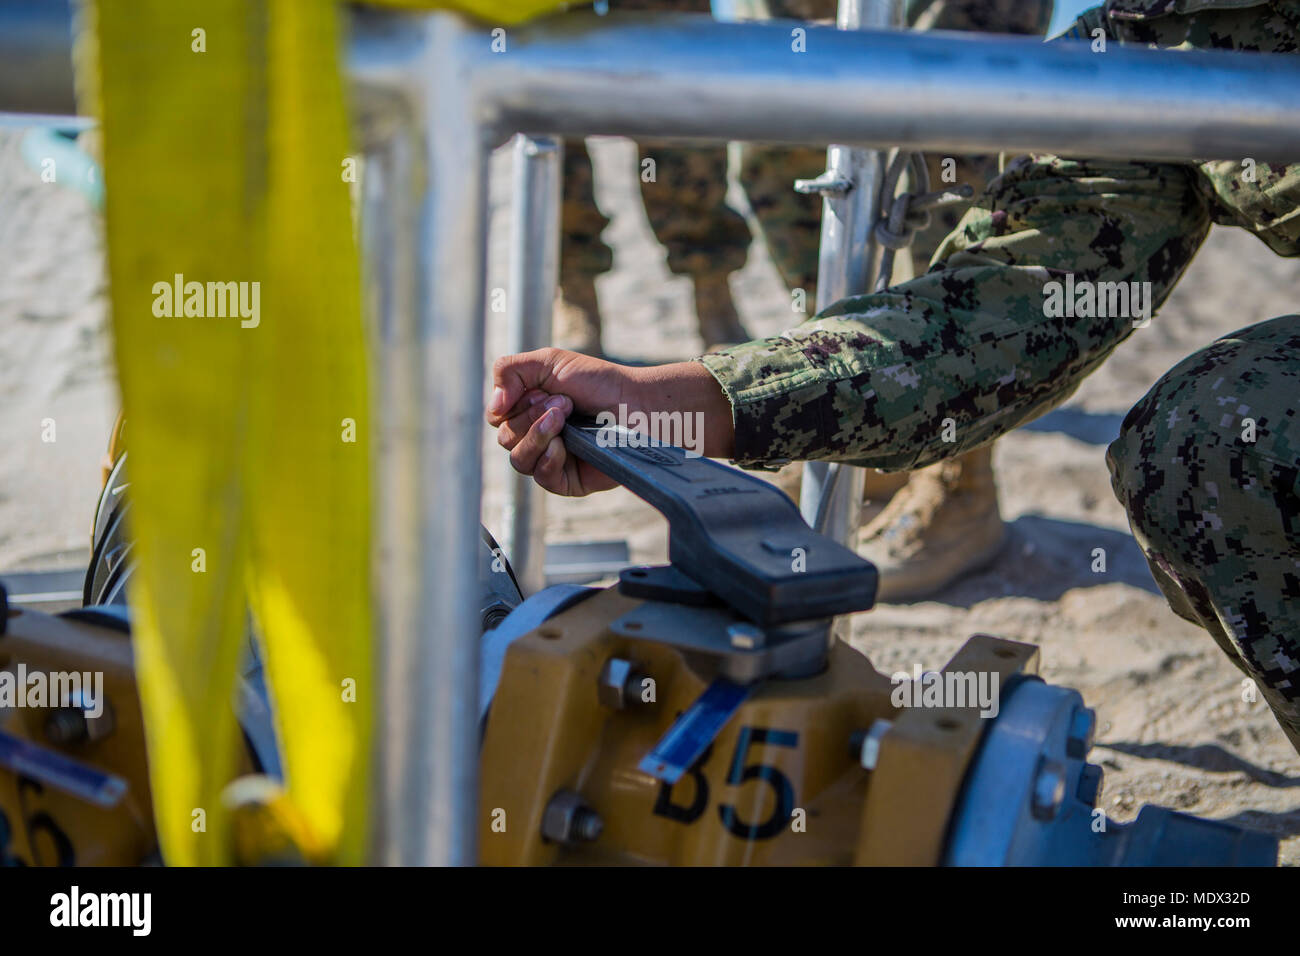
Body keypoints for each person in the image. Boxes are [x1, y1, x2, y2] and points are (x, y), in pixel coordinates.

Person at [490, 0, 1300, 752]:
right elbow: (990, 315)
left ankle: (960, 496)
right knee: (1207, 446)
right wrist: (667, 405)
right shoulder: (1158, 35)